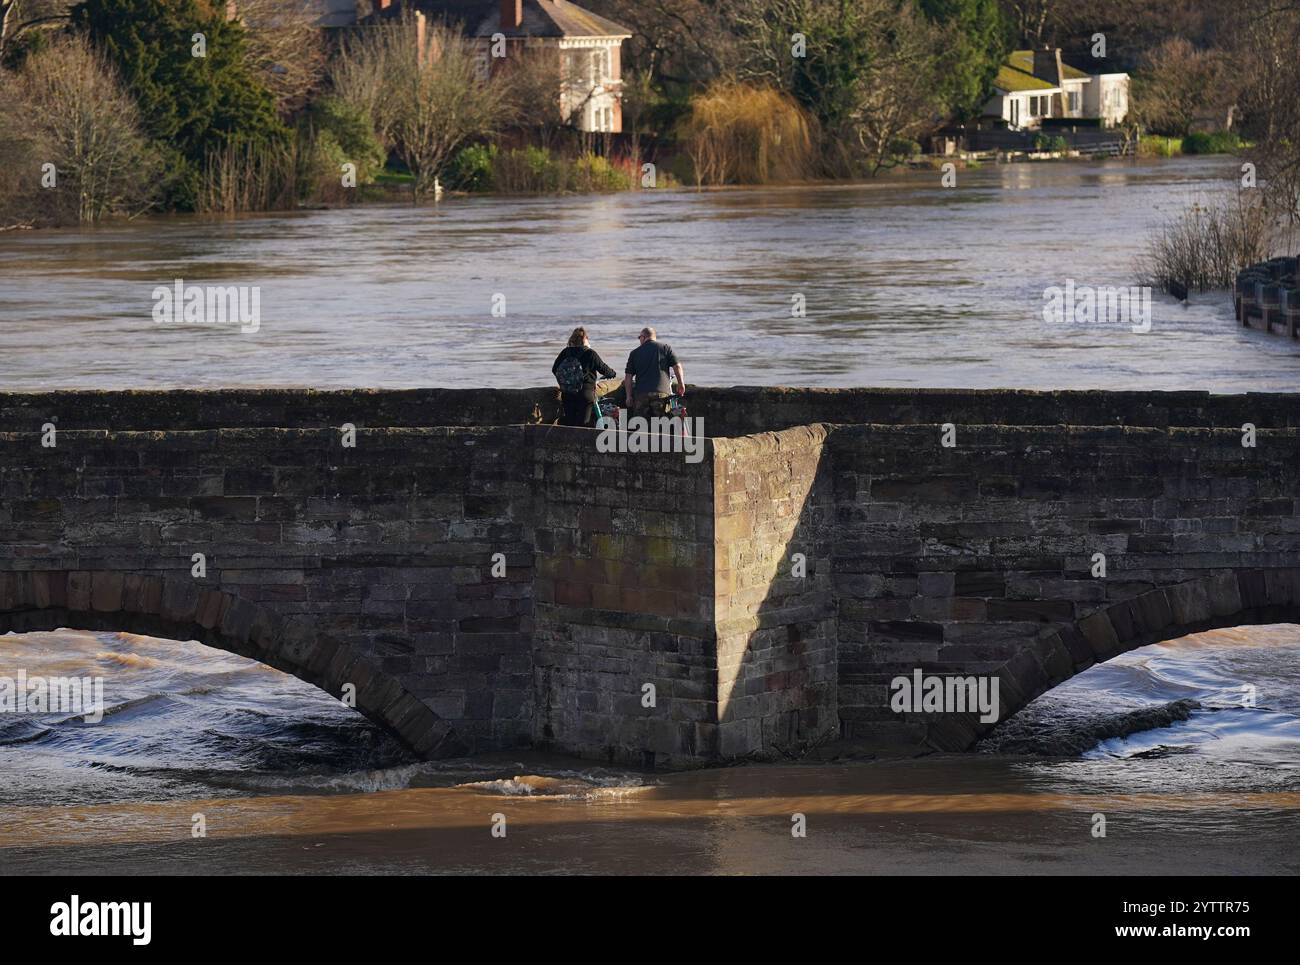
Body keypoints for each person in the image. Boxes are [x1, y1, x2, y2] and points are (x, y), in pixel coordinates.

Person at [552, 326, 617, 427]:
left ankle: (568, 442)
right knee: (583, 425)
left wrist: (567, 381)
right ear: (585, 339)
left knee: (570, 424)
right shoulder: (590, 353)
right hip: (585, 393)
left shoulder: (565, 352)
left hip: (567, 393)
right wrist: (612, 373)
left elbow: (554, 369)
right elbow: (604, 369)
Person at [624, 327, 685, 420]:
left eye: (639, 337)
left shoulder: (634, 353)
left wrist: (628, 396)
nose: (639, 340)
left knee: (641, 427)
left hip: (641, 395)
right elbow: (677, 366)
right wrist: (681, 384)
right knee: (661, 426)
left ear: (644, 337)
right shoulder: (665, 348)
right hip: (661, 394)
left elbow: (628, 377)